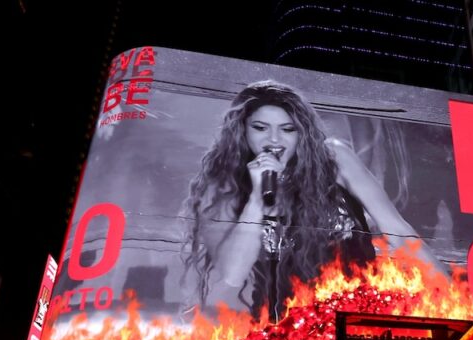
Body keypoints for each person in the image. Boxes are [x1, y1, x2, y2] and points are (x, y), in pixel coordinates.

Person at [183, 80, 438, 320]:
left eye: (287, 129)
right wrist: (257, 201)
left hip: (355, 315)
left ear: (301, 133)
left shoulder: (333, 159)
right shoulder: (227, 183)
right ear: (243, 130)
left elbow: (399, 231)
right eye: (260, 128)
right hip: (284, 327)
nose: (274, 140)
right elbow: (232, 274)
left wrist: (452, 294)